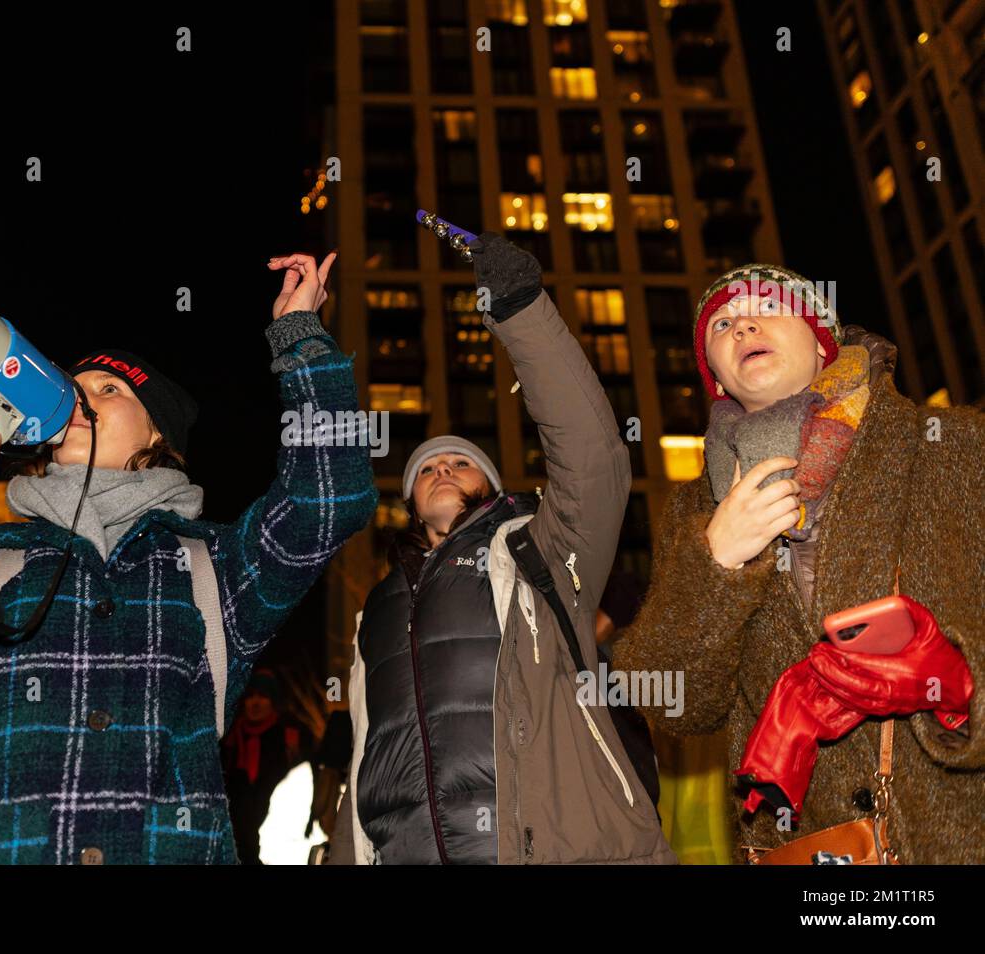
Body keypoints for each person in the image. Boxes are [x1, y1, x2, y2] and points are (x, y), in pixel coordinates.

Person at [0, 251, 378, 864]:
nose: (81, 397)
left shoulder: (214, 567)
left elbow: (329, 499)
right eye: (74, 385)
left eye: (109, 388)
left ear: (157, 438)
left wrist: (300, 338)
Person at [612, 264, 983, 864]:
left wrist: (962, 682)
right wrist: (717, 563)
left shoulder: (952, 447)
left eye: (766, 306)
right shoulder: (696, 508)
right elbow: (672, 701)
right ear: (718, 379)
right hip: (809, 849)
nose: (743, 325)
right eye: (722, 326)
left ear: (820, 340)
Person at [333, 234, 676, 865]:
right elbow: (365, 750)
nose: (440, 469)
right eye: (425, 468)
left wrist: (522, 310)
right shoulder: (376, 607)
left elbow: (594, 459)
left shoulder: (538, 550)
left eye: (460, 462)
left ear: (491, 486)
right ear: (409, 503)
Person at [220, 668, 312, 864]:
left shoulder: (290, 737)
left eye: (263, 696)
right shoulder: (230, 738)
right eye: (250, 696)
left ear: (273, 701)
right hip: (237, 837)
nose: (255, 702)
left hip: (279, 836)